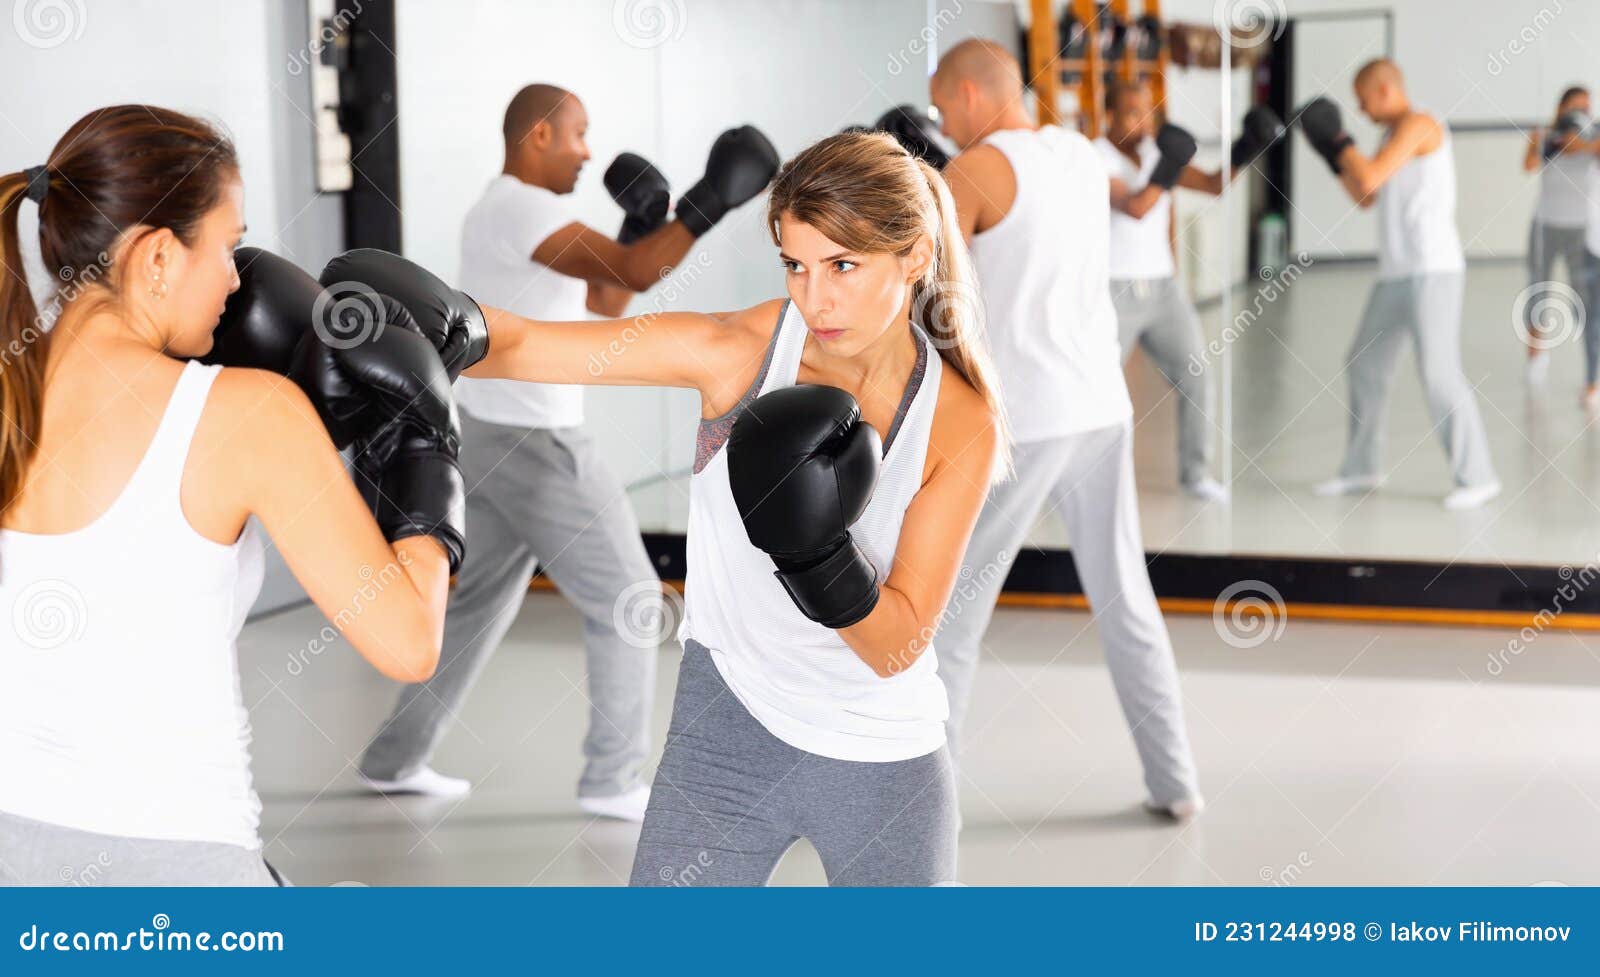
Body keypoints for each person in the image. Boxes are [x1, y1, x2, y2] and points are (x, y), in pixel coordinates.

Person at [329, 127, 1004, 885]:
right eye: (796, 265)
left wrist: (814, 555)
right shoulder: (743, 352)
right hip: (725, 732)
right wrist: (462, 328)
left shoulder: (959, 420)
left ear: (914, 257)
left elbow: (897, 646)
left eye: (844, 265)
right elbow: (542, 343)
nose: (816, 298)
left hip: (882, 758)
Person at [0, 106, 471, 884]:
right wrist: (424, 443)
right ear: (156, 256)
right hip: (182, 879)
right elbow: (408, 641)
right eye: (226, 244)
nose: (234, 276)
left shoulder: (15, 392)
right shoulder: (247, 413)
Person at [356, 83, 777, 822]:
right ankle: (613, 778)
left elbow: (609, 299)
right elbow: (636, 273)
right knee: (630, 598)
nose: (589, 151)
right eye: (578, 134)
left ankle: (394, 758)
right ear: (538, 135)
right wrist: (709, 202)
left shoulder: (499, 209)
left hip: (482, 431)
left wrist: (638, 225)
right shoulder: (525, 203)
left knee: (475, 603)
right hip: (534, 439)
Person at [928, 39, 1203, 820]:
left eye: (945, 103)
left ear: (974, 94)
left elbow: (926, 298)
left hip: (1027, 420)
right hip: (1099, 406)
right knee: (1126, 597)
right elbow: (1139, 204)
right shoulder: (1082, 155)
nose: (942, 119)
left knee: (947, 611)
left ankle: (910, 812)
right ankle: (1176, 782)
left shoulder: (972, 171)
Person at [1297, 59, 1499, 510]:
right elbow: (1365, 195)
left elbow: (1368, 174)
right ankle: (1362, 467)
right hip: (1396, 272)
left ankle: (1479, 476)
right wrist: (1333, 157)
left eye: (1363, 99)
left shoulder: (1421, 125)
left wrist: (1341, 140)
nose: (1360, 109)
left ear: (1385, 89)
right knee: (1363, 364)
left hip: (1433, 269)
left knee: (1438, 371)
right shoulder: (1387, 137)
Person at [1097, 80, 1283, 502]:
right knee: (1101, 390)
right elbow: (1136, 207)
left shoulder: (1154, 152)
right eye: (1130, 111)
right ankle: (1093, 482)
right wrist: (1170, 163)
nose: (1140, 122)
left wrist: (1246, 147)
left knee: (1197, 378)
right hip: (1114, 289)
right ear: (1109, 113)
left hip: (1163, 289)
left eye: (1147, 112)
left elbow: (1215, 185)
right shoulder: (1096, 156)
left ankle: (1195, 473)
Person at [1520, 86, 1592, 393]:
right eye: (1575, 106)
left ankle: (1592, 369)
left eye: (1587, 107)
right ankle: (1536, 358)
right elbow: (1528, 164)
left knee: (1585, 297)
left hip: (1581, 228)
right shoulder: (1545, 135)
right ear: (1560, 107)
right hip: (1545, 225)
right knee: (1538, 289)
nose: (1581, 113)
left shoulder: (1593, 137)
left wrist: (1581, 143)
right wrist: (1551, 139)